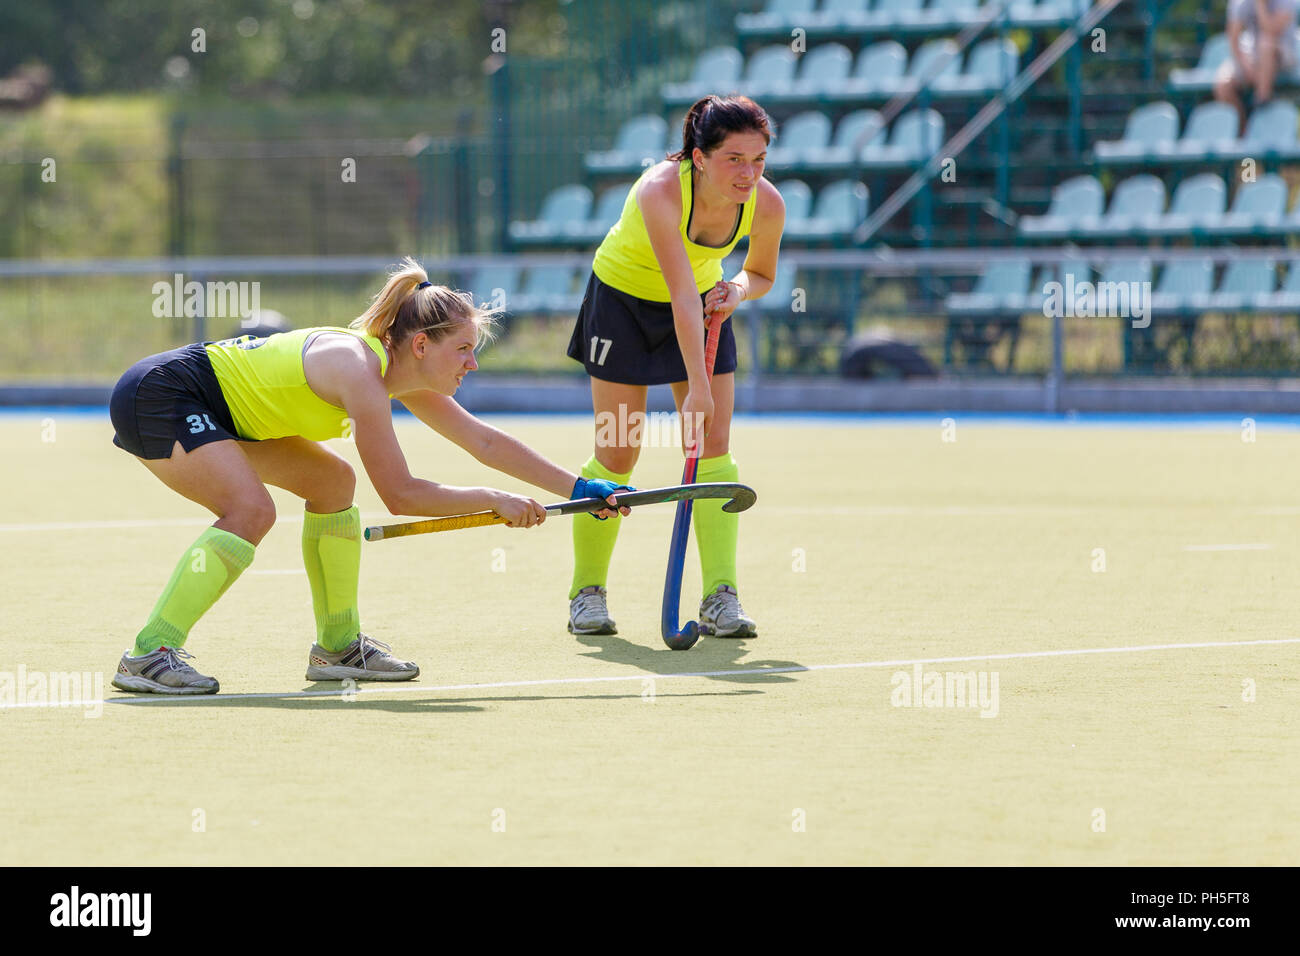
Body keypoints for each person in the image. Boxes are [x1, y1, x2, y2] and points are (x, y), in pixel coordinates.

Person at [108, 258, 629, 695]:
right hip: (162, 393)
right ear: (421, 345)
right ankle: (149, 653)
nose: (472, 364)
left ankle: (338, 648)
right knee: (251, 510)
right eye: (463, 349)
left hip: (222, 410)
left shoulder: (398, 372)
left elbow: (484, 442)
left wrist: (581, 489)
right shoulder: (359, 372)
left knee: (333, 483)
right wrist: (493, 499)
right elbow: (401, 494)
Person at [564, 94, 785, 639]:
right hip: (624, 304)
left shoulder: (767, 203)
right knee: (618, 447)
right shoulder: (660, 189)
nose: (749, 173)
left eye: (759, 159)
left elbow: (760, 274)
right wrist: (699, 390)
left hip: (702, 302)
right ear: (700, 157)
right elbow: (679, 295)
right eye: (735, 159)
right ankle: (586, 593)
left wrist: (736, 290)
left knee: (713, 445)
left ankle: (720, 597)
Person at [1214, 0, 1299, 130]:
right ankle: (1242, 131)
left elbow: (1270, 30)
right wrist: (1246, 66)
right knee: (1223, 84)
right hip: (1253, 57)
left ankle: (1261, 99)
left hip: (1284, 56)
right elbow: (1233, 37)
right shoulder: (1240, 3)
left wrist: (1260, 5)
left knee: (1266, 43)